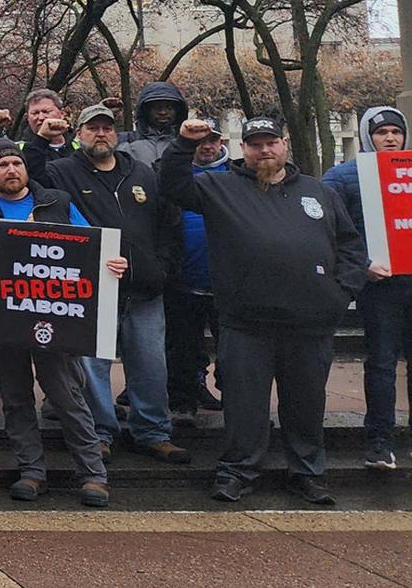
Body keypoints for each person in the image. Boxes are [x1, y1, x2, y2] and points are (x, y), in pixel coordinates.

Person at [163, 117, 365, 505]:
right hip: (245, 324)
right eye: (255, 144)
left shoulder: (319, 193)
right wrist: (184, 144)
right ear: (244, 149)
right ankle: (237, 471)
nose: (264, 150)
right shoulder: (217, 186)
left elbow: (351, 247)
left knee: (306, 404)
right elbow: (172, 186)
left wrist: (340, 293)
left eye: (271, 142)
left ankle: (306, 472)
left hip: (310, 323)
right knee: (244, 405)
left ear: (285, 144)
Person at [0, 137, 117, 508]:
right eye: (2, 165)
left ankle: (93, 474)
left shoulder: (57, 202)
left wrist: (112, 263)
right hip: (2, 319)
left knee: (67, 395)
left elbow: (90, 244)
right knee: (15, 398)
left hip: (54, 317)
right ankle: (32, 471)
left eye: (17, 164)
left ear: (27, 169)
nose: (12, 170)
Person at [39, 104, 191, 466]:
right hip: (92, 291)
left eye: (107, 127)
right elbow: (28, 176)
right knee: (93, 367)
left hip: (145, 290)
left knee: (151, 364)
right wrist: (40, 138)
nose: (101, 134)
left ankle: (153, 432)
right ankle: (100, 433)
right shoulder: (61, 172)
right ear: (78, 135)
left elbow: (169, 223)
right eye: (92, 128)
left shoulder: (142, 174)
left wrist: (163, 268)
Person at [322, 107, 407, 469]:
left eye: (396, 132)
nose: (390, 138)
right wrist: (362, 265)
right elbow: (328, 228)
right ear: (366, 136)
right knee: (383, 362)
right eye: (381, 132)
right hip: (379, 285)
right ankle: (379, 441)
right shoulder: (343, 177)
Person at [164, 129, 228, 416]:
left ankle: (238, 406)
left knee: (232, 353)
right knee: (182, 349)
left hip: (227, 284)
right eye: (200, 142)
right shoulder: (174, 175)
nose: (206, 146)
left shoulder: (237, 174)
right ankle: (182, 403)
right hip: (183, 279)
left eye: (212, 140)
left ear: (221, 143)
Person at [118, 81, 189, 167]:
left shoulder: (188, 142)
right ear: (146, 111)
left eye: (169, 107)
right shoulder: (125, 141)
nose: (163, 112)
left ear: (178, 111)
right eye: (157, 107)